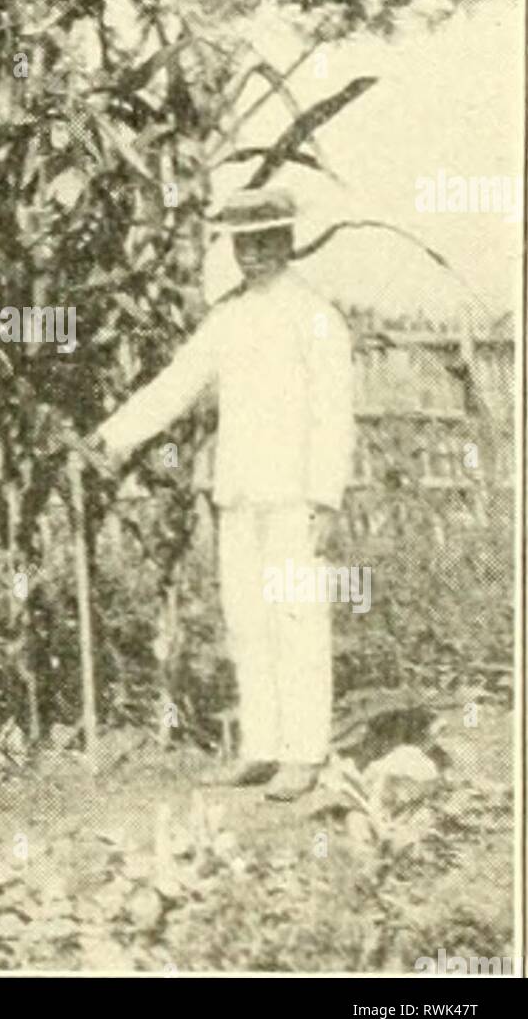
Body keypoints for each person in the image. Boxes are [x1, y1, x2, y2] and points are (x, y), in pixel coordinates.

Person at [86, 188, 354, 801]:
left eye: (264, 240)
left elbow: (335, 414)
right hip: (238, 491)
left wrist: (326, 497)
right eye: (242, 241)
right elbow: (176, 383)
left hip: (295, 494)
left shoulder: (315, 317)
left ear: (287, 241)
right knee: (247, 620)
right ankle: (262, 746)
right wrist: (112, 438)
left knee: (297, 618)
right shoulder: (228, 318)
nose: (252, 253)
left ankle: (304, 753)